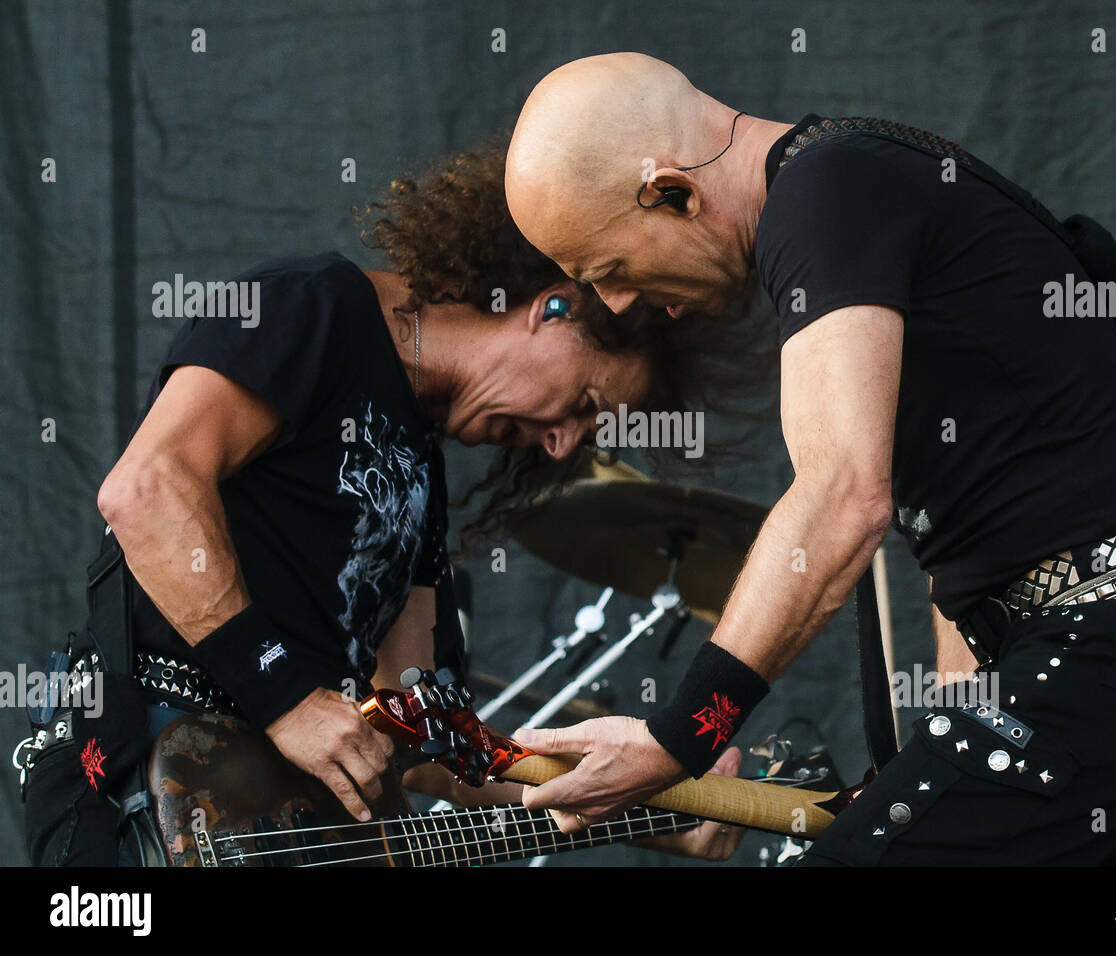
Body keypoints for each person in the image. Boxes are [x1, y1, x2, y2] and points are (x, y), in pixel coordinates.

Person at [501, 53, 1116, 864]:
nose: (620, 305)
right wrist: (951, 732)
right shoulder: (867, 177)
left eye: (605, 270)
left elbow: (844, 495)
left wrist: (680, 736)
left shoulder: (822, 194)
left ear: (673, 191)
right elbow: (971, 507)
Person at [23, 144, 743, 866]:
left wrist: (651, 811)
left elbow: (422, 744)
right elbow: (145, 489)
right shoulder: (314, 307)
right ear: (553, 308)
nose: (561, 447)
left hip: (268, 819)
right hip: (135, 773)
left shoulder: (421, 473)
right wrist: (289, 702)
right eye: (586, 405)